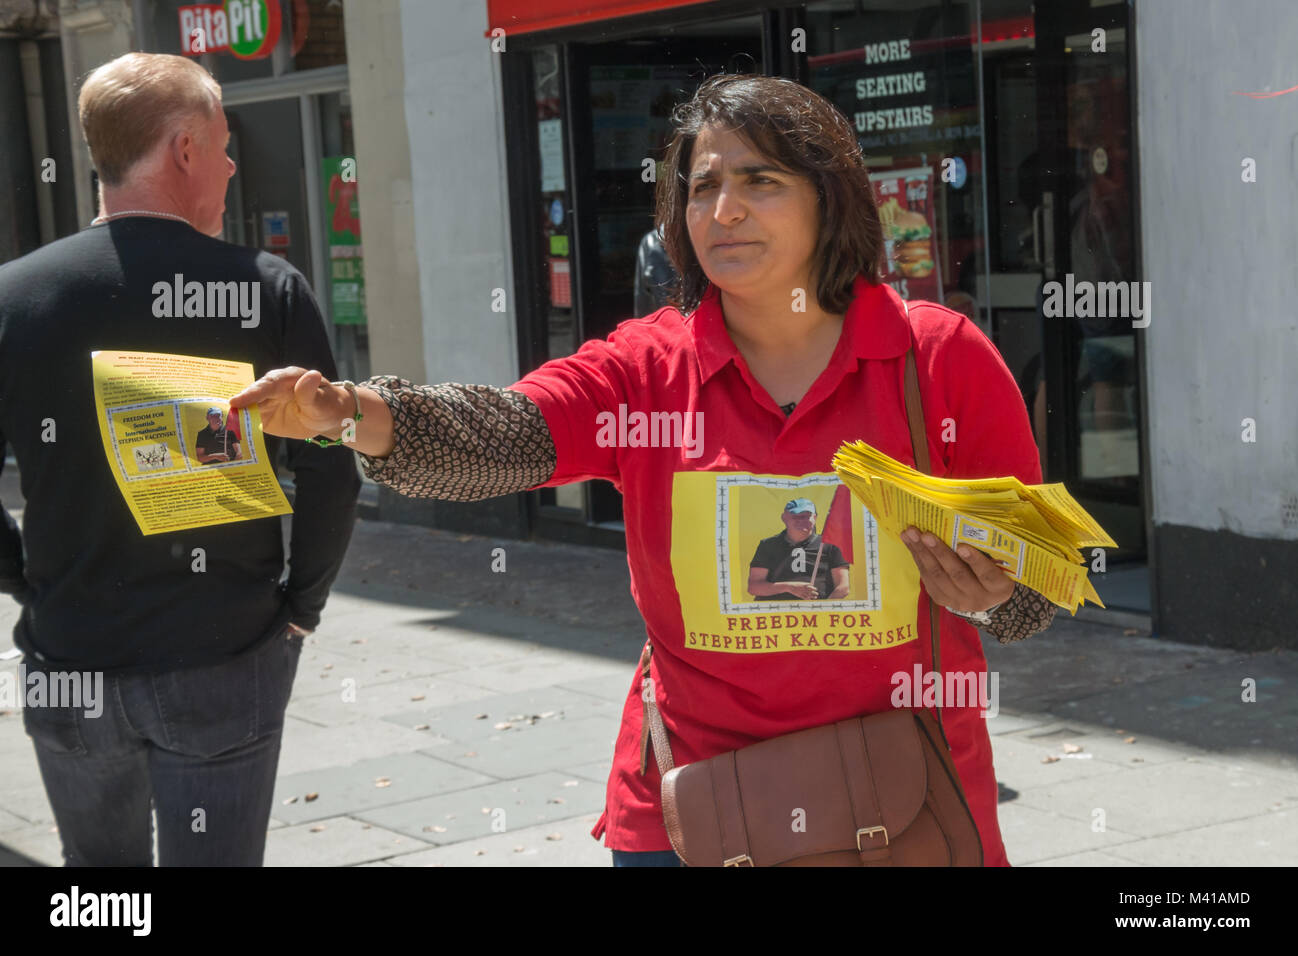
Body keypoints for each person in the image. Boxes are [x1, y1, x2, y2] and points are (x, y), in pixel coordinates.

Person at [233, 74, 1058, 867]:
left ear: (828, 197)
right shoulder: (645, 368)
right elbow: (505, 433)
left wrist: (995, 596)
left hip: (904, 803)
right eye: (702, 188)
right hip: (691, 813)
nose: (724, 210)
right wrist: (347, 413)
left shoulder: (936, 357)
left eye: (759, 180)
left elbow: (1037, 589)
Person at [0, 53, 360, 866]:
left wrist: (24, 577)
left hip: (69, 659)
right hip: (225, 654)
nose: (234, 166)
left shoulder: (13, 298)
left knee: (98, 894)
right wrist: (301, 605)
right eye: (225, 145)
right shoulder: (267, 289)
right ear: (184, 150)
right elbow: (332, 462)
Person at [747, 498, 848, 601]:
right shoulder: (768, 545)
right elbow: (754, 587)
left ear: (815, 517)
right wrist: (789, 588)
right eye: (795, 516)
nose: (801, 520)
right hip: (776, 613)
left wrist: (822, 609)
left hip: (814, 614)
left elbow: (843, 587)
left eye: (806, 516)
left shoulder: (830, 545)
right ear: (784, 518)